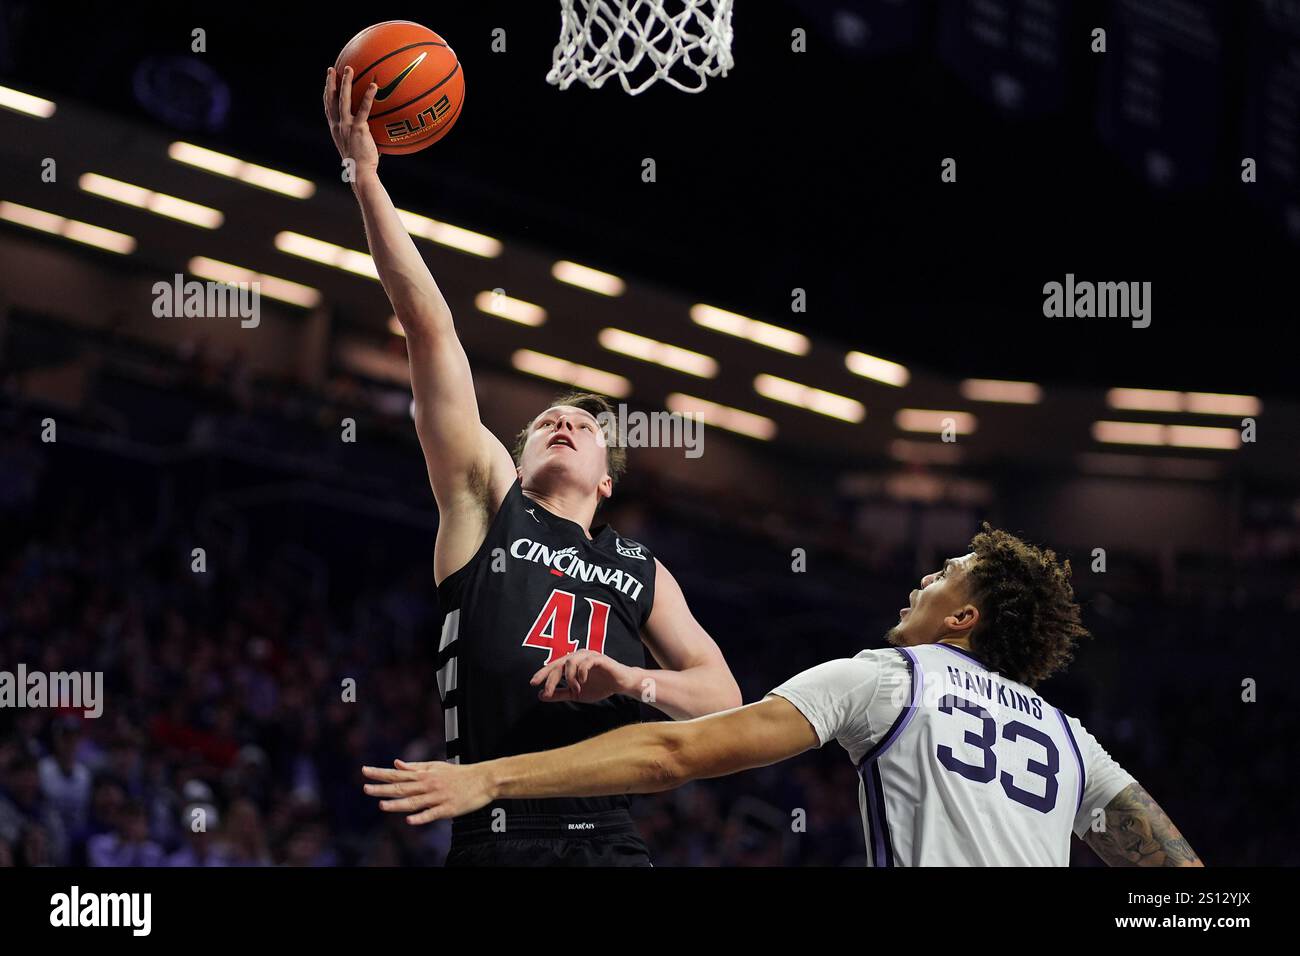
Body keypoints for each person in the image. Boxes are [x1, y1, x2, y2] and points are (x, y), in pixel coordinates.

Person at [325, 65, 741, 866]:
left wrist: (629, 680)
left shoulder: (638, 568)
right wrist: (366, 178)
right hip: (497, 832)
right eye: (546, 420)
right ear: (513, 453)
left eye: (583, 425)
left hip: (611, 839)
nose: (561, 422)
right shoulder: (488, 499)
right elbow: (431, 330)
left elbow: (722, 698)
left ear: (608, 480)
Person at [363, 526, 1202, 867]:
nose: (924, 579)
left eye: (944, 575)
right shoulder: (1069, 739)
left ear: (966, 618)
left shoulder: (888, 677)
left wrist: (491, 777)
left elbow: (671, 753)